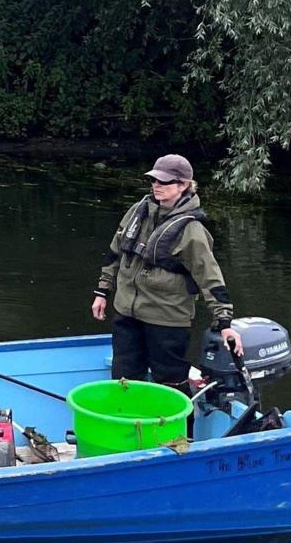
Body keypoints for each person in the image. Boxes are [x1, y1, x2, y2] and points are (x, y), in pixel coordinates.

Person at [91, 154, 243, 394]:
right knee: (123, 379)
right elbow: (115, 252)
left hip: (166, 319)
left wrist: (224, 322)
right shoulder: (136, 212)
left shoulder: (192, 230)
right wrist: (102, 290)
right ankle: (130, 426)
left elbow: (210, 278)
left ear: (183, 185)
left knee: (171, 385)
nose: (156, 186)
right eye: (154, 180)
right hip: (126, 312)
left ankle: (183, 432)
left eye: (164, 182)